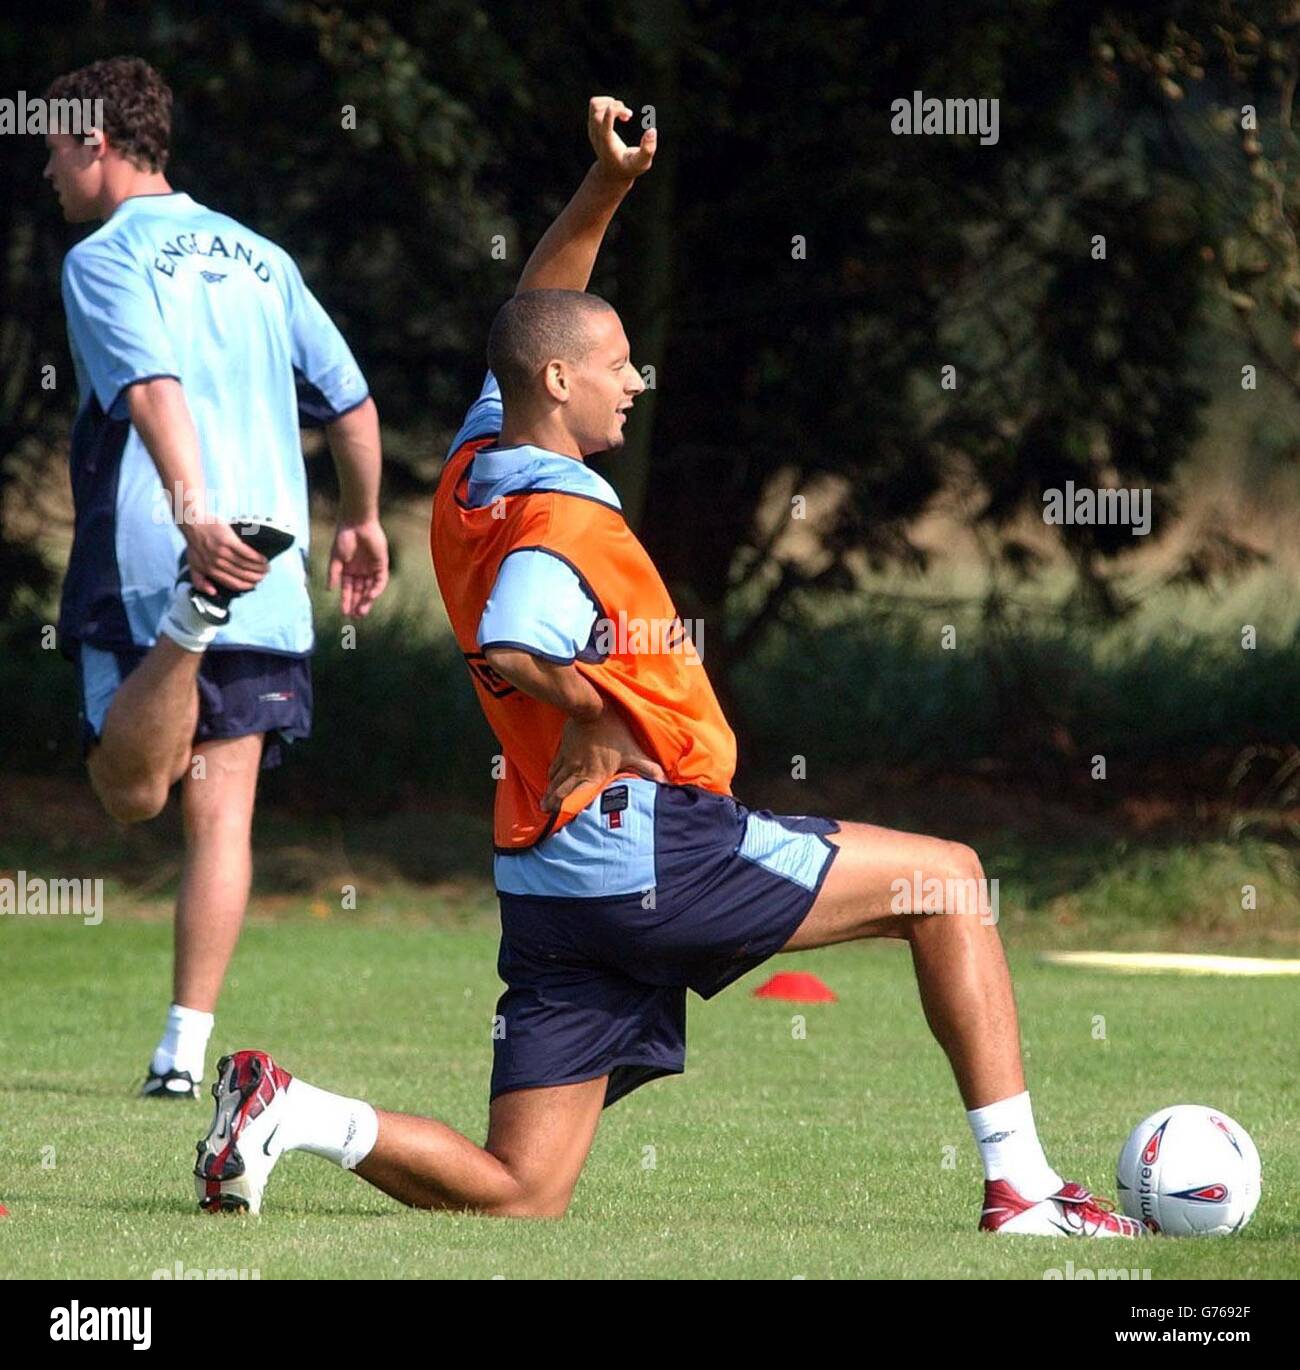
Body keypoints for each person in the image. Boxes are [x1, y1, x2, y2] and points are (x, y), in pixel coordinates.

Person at [193, 96, 1140, 1238]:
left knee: (520, 1188)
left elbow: (533, 311)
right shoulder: (558, 519)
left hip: (553, 878)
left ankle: (292, 1112)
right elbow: (514, 637)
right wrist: (594, 704)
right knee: (948, 881)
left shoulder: (473, 474)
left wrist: (608, 184)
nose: (634, 381)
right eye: (619, 365)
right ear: (557, 385)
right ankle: (1024, 1189)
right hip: (644, 844)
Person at [45, 57, 388, 1100]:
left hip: (160, 553)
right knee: (221, 814)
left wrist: (194, 522)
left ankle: (186, 627)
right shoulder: (261, 254)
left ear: (96, 144)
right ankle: (181, 1050)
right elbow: (350, 399)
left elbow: (150, 393)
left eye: (52, 151)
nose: (48, 174)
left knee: (128, 790)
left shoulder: (102, 256)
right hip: (272, 563)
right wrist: (362, 518)